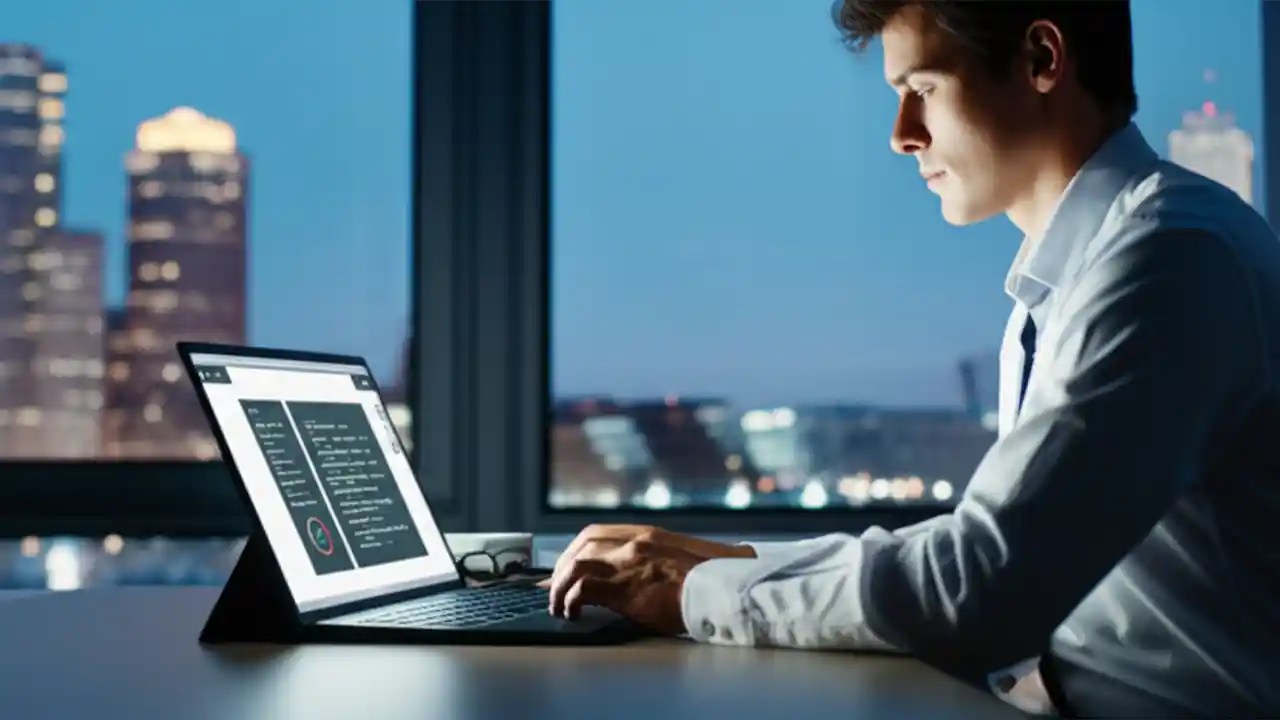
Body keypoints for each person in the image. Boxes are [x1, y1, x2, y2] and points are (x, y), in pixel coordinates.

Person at [542, 1, 1280, 717]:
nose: (901, 135)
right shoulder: (1074, 275)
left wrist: (694, 593)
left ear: (1041, 59)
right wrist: (723, 562)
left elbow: (983, 585)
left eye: (922, 90)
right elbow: (989, 544)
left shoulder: (1171, 260)